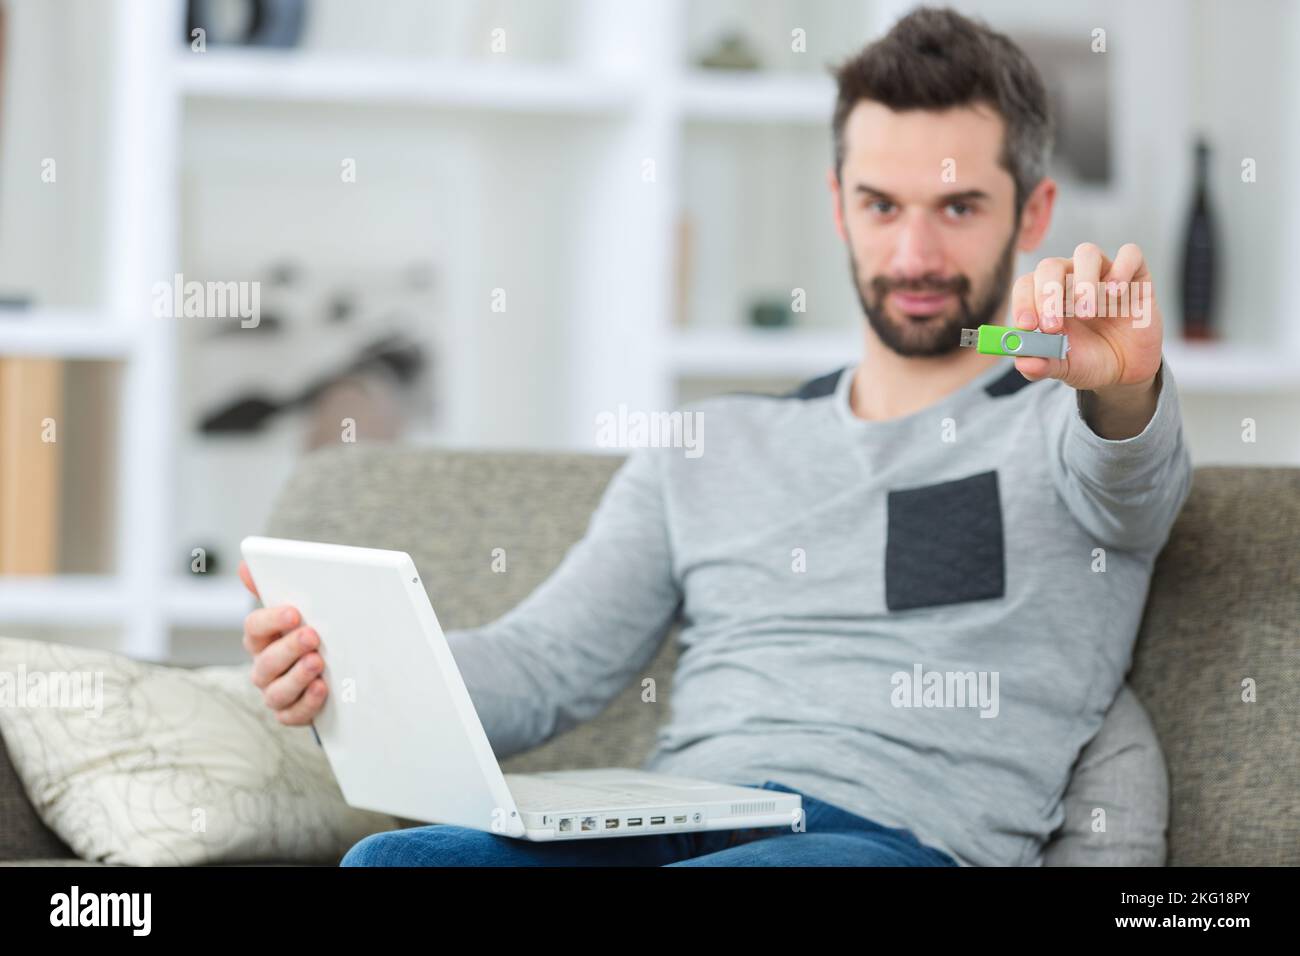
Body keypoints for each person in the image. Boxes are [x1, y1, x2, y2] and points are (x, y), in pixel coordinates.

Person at [239, 6, 1192, 867]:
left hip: (887, 843)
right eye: (881, 205)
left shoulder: (1067, 423)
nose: (914, 255)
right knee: (395, 868)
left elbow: (1134, 483)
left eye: (958, 207)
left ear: (1033, 213)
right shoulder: (707, 443)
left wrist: (1129, 384)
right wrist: (353, 668)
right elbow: (545, 665)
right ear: (838, 206)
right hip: (668, 823)